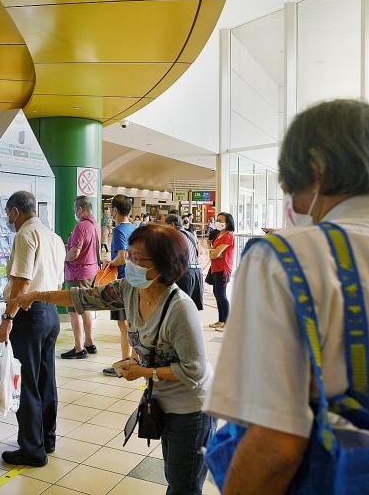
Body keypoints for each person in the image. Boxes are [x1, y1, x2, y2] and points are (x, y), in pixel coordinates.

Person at [204, 99, 369, 495]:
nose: (291, 202)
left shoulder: (282, 260)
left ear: (315, 170)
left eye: (290, 186)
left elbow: (276, 446)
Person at [12, 225, 216, 494]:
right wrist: (38, 296)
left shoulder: (180, 309)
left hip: (193, 407)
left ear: (161, 266)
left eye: (136, 259)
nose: (128, 263)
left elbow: (194, 371)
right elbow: (84, 297)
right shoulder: (130, 289)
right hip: (164, 399)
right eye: (128, 255)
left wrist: (144, 372)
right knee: (175, 474)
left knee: (183, 485)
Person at [0, 191, 65, 467]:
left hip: (29, 314)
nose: (8, 220)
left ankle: (31, 449)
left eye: (7, 214)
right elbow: (57, 282)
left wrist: (7, 319)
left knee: (26, 383)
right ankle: (47, 439)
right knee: (46, 379)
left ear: (14, 211)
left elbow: (22, 283)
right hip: (50, 313)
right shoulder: (53, 237)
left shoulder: (25, 236)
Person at [61, 196, 101, 359]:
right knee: (86, 309)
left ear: (79, 210)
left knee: (74, 312)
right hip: (91, 272)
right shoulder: (95, 226)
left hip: (77, 274)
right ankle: (89, 343)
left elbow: (76, 252)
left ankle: (78, 348)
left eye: (74, 210)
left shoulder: (81, 226)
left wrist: (62, 257)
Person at [102, 194, 136, 377]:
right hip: (135, 280)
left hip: (123, 282)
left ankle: (125, 363)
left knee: (123, 325)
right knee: (133, 324)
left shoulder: (119, 231)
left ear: (114, 210)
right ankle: (135, 359)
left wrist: (110, 263)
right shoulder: (133, 228)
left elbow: (122, 257)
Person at [164, 214, 204, 310]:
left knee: (182, 307)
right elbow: (197, 252)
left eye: (166, 225)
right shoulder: (190, 234)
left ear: (172, 225)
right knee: (192, 307)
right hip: (197, 273)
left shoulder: (173, 235)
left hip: (185, 273)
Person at [207, 212, 234, 331]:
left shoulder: (228, 236)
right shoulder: (218, 234)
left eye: (221, 220)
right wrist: (214, 252)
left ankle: (227, 323)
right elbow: (212, 253)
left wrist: (214, 252)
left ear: (227, 223)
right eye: (217, 220)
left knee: (221, 295)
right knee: (217, 294)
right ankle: (221, 320)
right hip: (215, 268)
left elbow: (215, 254)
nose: (218, 222)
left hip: (223, 268)